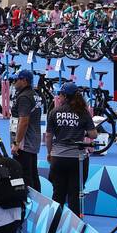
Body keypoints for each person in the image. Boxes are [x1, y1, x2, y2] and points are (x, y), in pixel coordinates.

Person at [45, 83, 96, 216]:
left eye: (59, 94)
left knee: (58, 194)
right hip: (77, 160)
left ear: (65, 96)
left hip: (58, 158)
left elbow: (49, 136)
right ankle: (75, 227)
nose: (58, 97)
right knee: (75, 194)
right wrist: (82, 132)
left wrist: (49, 153)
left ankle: (54, 224)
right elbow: (93, 135)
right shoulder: (83, 112)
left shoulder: (54, 112)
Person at [8, 69, 42, 192]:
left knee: (24, 174)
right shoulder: (33, 94)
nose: (13, 82)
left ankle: (28, 204)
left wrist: (17, 143)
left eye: (16, 80)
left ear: (24, 81)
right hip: (31, 139)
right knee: (32, 173)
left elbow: (24, 121)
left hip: (24, 142)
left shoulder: (24, 97)